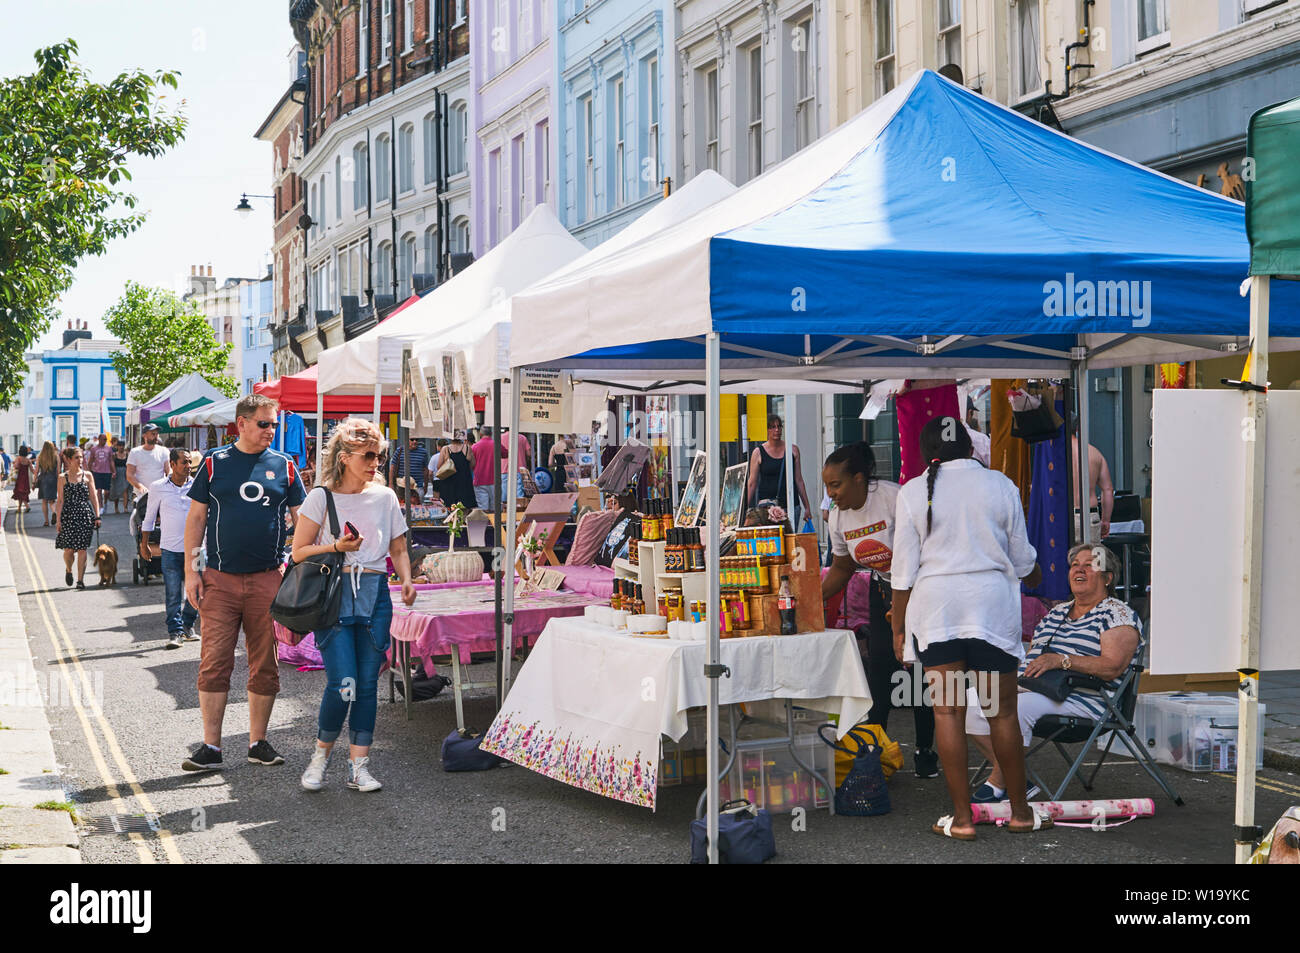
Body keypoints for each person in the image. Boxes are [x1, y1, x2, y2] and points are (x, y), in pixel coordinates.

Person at [890, 416, 1048, 840]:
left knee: (948, 711)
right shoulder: (1000, 485)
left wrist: (897, 628)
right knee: (1002, 714)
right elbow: (1021, 558)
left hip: (937, 612)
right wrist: (1029, 575)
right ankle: (1019, 813)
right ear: (972, 446)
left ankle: (962, 820)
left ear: (926, 454)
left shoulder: (911, 491)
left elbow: (902, 572)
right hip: (991, 612)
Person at [181, 394, 305, 772]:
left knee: (264, 664)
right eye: (265, 423)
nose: (272, 430)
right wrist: (192, 571)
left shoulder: (284, 466)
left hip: (269, 578)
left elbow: (303, 519)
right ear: (242, 424)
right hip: (218, 580)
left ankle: (258, 742)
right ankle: (211, 748)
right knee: (214, 663)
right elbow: (196, 520)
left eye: (274, 424)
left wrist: (299, 568)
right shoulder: (215, 464)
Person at [294, 418, 415, 793]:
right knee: (341, 683)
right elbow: (298, 553)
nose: (375, 462)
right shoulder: (320, 497)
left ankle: (358, 766)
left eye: (378, 456)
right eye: (368, 456)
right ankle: (320, 757)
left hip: (376, 595)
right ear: (345, 457)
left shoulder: (386, 497)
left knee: (366, 685)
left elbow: (397, 547)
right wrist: (336, 547)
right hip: (333, 597)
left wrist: (407, 577)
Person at [967, 542, 1141, 802]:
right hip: (1037, 687)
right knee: (968, 700)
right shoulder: (1056, 613)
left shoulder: (1117, 614)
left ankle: (997, 784)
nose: (1078, 570)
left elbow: (1111, 666)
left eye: (1089, 565)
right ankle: (1016, 779)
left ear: (1108, 578)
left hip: (1086, 698)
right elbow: (1033, 659)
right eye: (1074, 565)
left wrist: (1062, 661)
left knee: (1013, 708)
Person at [820, 442, 937, 778]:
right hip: (882, 589)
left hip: (918, 589)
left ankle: (925, 749)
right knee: (881, 672)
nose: (831, 493)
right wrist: (809, 600)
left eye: (836, 484)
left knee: (916, 672)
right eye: (827, 486)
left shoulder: (892, 498)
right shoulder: (838, 517)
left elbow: (921, 551)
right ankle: (875, 752)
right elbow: (842, 568)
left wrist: (903, 609)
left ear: (859, 479)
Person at [142, 448, 200, 650]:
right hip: (170, 549)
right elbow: (149, 517)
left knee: (198, 591)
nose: (188, 466)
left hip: (197, 549)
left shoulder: (199, 485)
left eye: (189, 462)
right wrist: (145, 544)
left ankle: (187, 624)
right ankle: (175, 632)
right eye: (183, 462)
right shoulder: (158, 487)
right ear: (172, 464)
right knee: (173, 592)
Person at [745, 415, 812, 527]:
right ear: (767, 430)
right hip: (767, 508)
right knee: (770, 540)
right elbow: (752, 483)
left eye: (779, 426)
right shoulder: (758, 452)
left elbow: (799, 480)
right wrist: (743, 509)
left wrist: (807, 507)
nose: (776, 430)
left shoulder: (793, 450)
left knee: (789, 539)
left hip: (790, 505)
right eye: (772, 427)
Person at [54, 445, 102, 589]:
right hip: (68, 515)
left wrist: (97, 516)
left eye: (81, 457)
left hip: (84, 515)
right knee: (68, 550)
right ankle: (69, 570)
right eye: (77, 458)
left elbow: (93, 497)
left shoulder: (88, 476)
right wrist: (58, 520)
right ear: (68, 459)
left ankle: (80, 580)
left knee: (82, 549)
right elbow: (60, 500)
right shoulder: (63, 478)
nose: (80, 460)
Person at [1070, 419, 1114, 539]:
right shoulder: (1094, 452)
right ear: (1077, 429)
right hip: (1090, 516)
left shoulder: (1055, 456)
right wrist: (1105, 520)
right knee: (1091, 557)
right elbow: (1108, 489)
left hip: (1063, 518)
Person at [430, 430, 476, 512]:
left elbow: (439, 466)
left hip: (449, 483)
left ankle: (452, 523)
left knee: (449, 509)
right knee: (464, 509)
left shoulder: (445, 449)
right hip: (464, 483)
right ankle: (463, 523)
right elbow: (472, 464)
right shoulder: (467, 448)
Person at [127, 423, 170, 498]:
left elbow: (168, 471)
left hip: (159, 494)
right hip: (141, 495)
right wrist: (140, 487)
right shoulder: (135, 452)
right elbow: (129, 475)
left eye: (157, 434)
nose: (156, 436)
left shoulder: (164, 451)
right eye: (153, 434)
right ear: (144, 435)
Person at [499, 427, 532, 501]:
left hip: (504, 469)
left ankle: (504, 510)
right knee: (519, 492)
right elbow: (529, 453)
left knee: (504, 492)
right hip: (519, 469)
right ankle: (520, 509)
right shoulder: (522, 438)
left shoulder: (500, 437)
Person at [470, 426, 497, 511]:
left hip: (479, 480)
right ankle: (494, 524)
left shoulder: (475, 447)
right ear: (491, 433)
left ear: (481, 434)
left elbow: (470, 462)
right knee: (494, 508)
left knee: (483, 508)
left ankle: (485, 524)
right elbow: (506, 453)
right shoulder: (496, 444)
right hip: (495, 480)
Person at [85, 433, 115, 509]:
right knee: (98, 489)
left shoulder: (109, 449)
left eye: (106, 440)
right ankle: (100, 506)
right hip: (97, 471)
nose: (105, 441)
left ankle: (105, 502)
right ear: (99, 439)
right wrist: (88, 471)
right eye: (103, 439)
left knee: (107, 491)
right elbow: (91, 460)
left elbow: (111, 460)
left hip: (107, 471)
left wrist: (113, 471)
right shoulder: (94, 449)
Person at [36, 441, 60, 526]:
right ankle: (54, 512)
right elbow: (58, 471)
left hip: (43, 480)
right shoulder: (56, 456)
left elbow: (36, 471)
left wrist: (34, 482)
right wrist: (60, 482)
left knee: (44, 501)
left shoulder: (40, 457)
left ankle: (46, 521)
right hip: (53, 479)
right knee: (52, 500)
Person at [110, 438, 131, 514]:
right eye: (120, 446)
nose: (121, 447)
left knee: (125, 489)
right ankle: (116, 507)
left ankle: (125, 508)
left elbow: (130, 464)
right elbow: (112, 463)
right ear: (117, 447)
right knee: (117, 491)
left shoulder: (127, 454)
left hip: (125, 472)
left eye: (122, 446)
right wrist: (113, 472)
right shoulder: (114, 455)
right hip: (117, 473)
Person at [12, 445, 33, 512]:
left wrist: (14, 463)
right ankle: (19, 508)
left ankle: (27, 506)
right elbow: (32, 470)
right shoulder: (28, 460)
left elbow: (16, 466)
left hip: (20, 478)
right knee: (23, 493)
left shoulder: (18, 458)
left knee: (20, 493)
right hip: (26, 479)